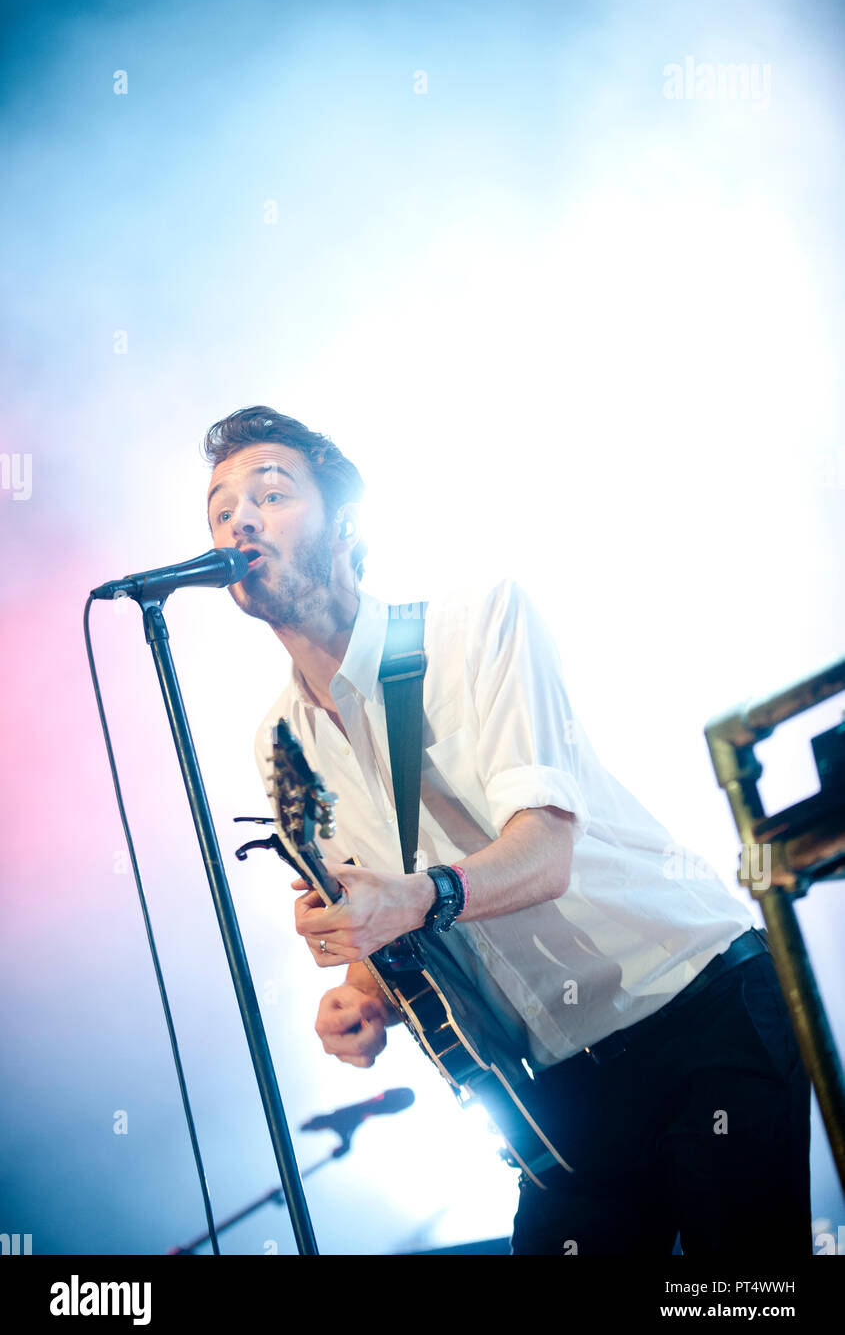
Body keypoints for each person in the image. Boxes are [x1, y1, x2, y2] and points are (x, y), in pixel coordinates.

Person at [203, 405, 812, 1256]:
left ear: (345, 525)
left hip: (692, 1003)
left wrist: (411, 899)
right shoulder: (280, 742)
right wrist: (363, 993)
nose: (239, 516)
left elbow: (545, 852)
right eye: (220, 507)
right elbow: (389, 915)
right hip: (553, 1083)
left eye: (270, 492)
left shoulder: (476, 621)